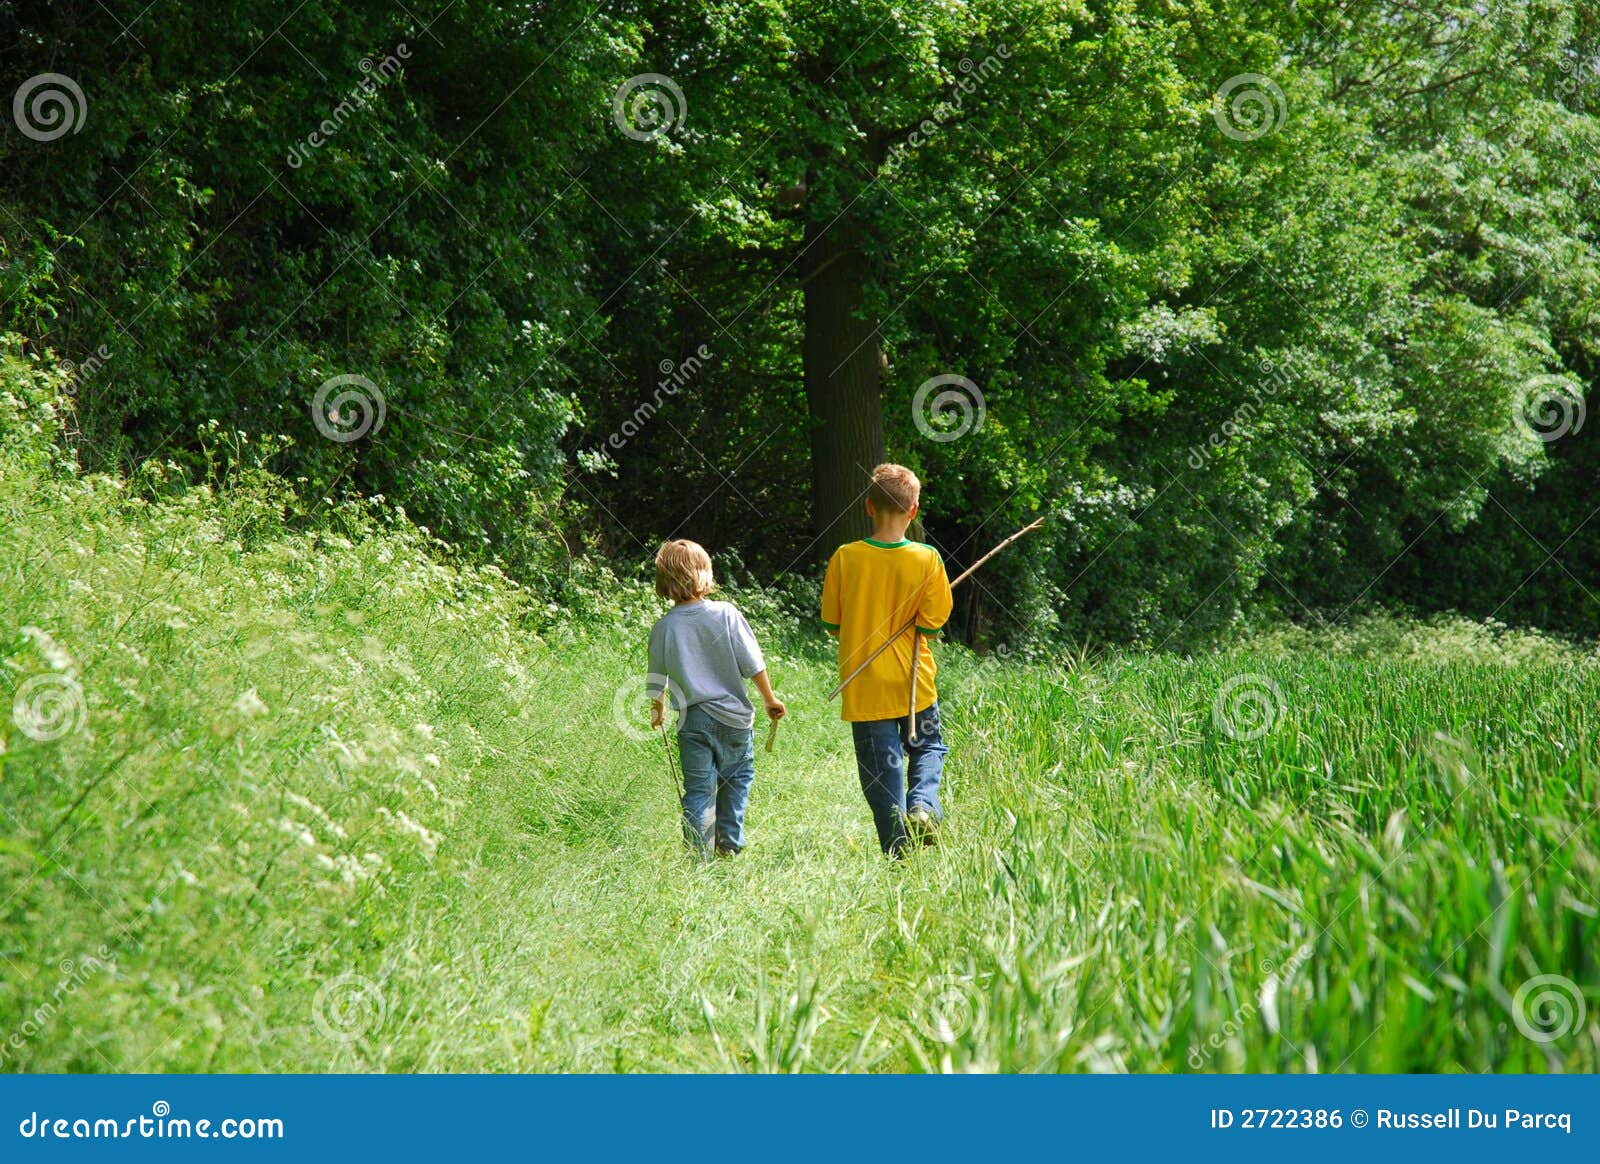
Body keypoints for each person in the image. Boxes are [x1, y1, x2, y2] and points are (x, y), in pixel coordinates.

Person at [821, 464, 953, 855]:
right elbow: (931, 626)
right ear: (914, 510)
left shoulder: (845, 558)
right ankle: (923, 806)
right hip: (914, 683)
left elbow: (832, 624)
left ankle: (898, 854)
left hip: (864, 687)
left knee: (882, 772)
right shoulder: (928, 559)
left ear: (868, 507)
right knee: (928, 748)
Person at [647, 539, 785, 856]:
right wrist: (769, 698)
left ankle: (699, 854)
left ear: (664, 582)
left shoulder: (664, 627)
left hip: (691, 722)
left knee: (698, 790)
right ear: (704, 575)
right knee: (735, 780)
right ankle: (730, 846)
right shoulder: (725, 614)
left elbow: (657, 678)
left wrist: (658, 711)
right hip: (734, 719)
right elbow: (753, 663)